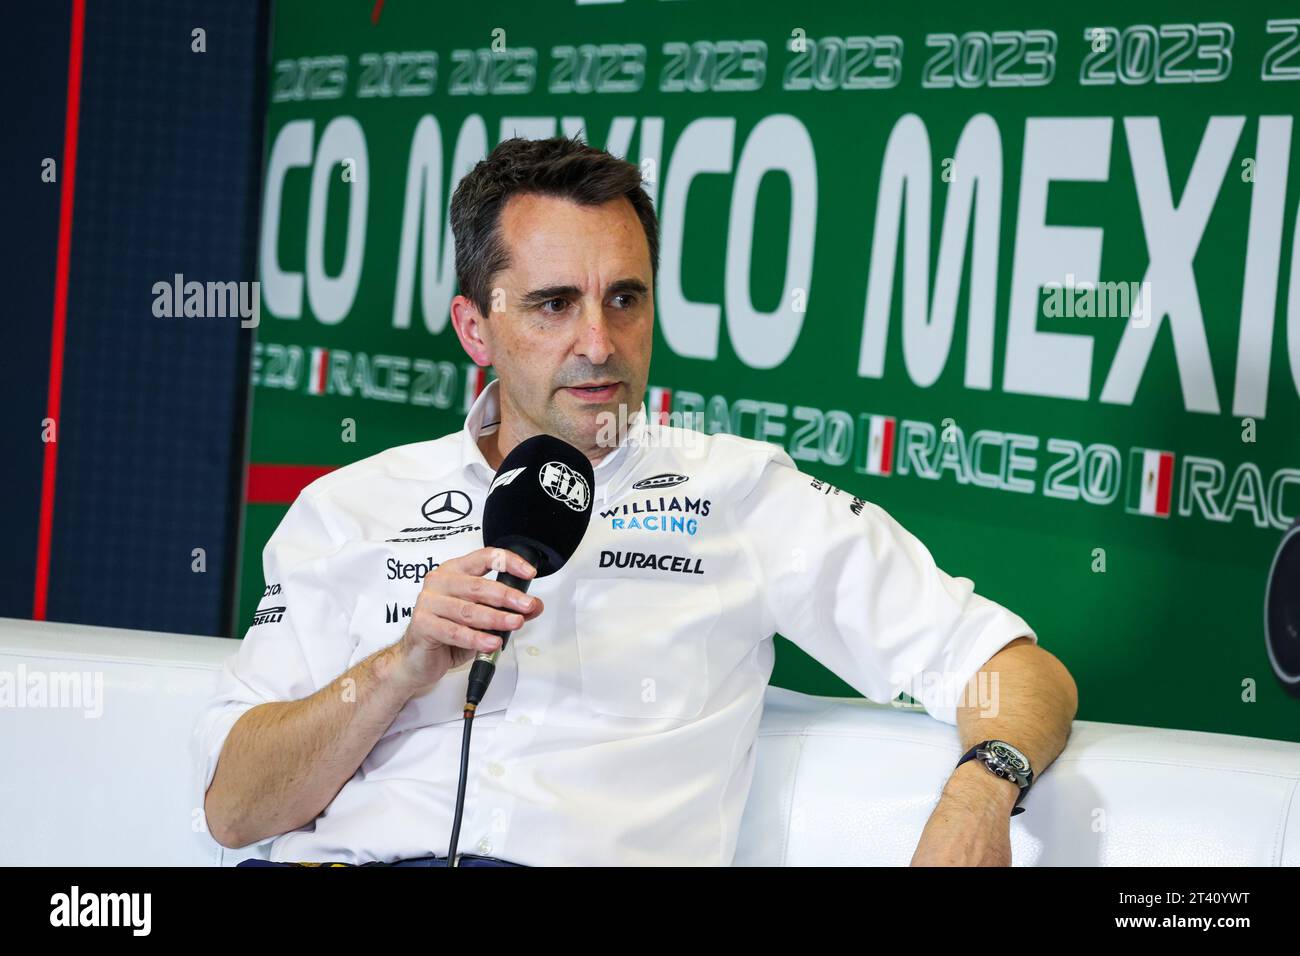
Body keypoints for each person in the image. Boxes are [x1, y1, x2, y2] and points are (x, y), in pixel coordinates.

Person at [194, 135, 1078, 867]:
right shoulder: (350, 504)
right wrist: (398, 668)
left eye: (626, 299)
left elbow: (1013, 669)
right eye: (552, 305)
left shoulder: (737, 493)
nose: (599, 342)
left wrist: (979, 796)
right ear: (475, 327)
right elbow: (235, 809)